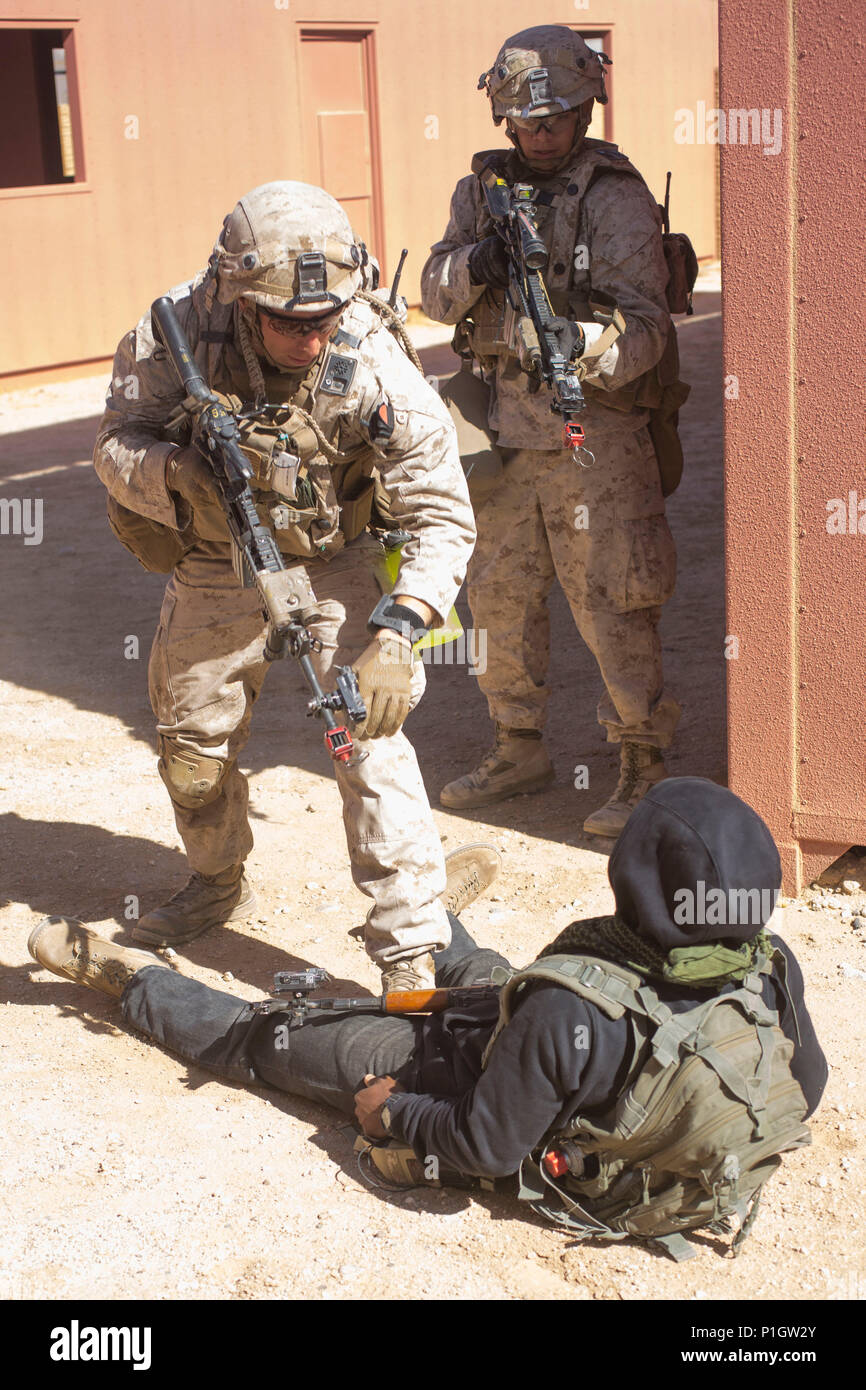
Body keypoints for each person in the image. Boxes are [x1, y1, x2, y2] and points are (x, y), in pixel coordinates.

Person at [29, 780, 827, 1253]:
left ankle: (126, 980)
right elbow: (808, 1080)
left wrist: (394, 1109)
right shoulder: (769, 962)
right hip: (569, 1070)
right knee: (488, 980)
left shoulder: (567, 1007)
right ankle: (429, 925)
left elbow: (485, 1143)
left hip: (494, 1094)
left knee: (269, 1037)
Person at [93, 181, 476, 990]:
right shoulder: (174, 334)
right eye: (288, 324)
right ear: (239, 298)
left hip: (331, 554)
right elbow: (113, 444)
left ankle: (410, 945)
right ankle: (216, 882)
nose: (310, 340)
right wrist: (175, 473)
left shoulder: (370, 355)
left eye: (323, 321)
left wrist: (400, 631)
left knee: (366, 730)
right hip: (212, 558)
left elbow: (443, 513)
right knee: (193, 758)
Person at [421, 25, 686, 836]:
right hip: (501, 433)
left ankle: (641, 760)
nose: (541, 134)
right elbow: (433, 292)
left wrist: (581, 345)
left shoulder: (614, 196)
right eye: (527, 121)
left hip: (592, 438)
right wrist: (475, 269)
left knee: (613, 601)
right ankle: (518, 745)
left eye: (557, 118)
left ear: (585, 108)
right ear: (503, 118)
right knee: (497, 600)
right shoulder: (480, 193)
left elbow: (649, 329)